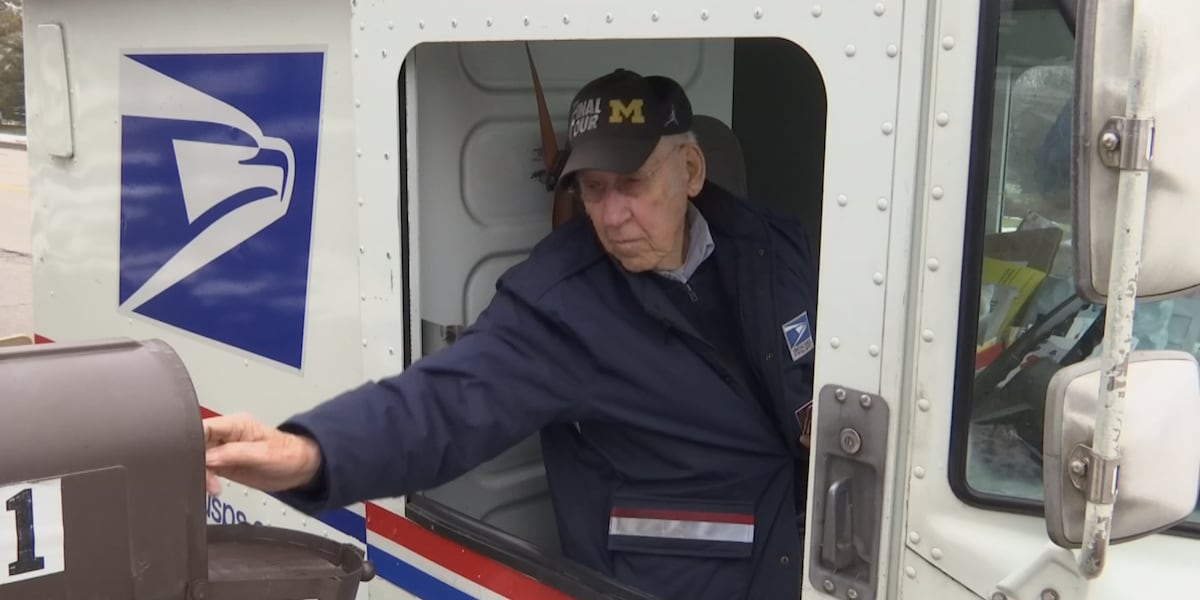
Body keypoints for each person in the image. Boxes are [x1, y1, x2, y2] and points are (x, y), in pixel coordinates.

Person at [203, 68, 819, 599]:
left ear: (690, 171)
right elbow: (448, 403)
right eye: (592, 189)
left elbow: (810, 355)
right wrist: (308, 453)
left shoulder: (774, 243)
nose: (609, 215)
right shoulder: (564, 301)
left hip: (791, 556)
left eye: (631, 185)